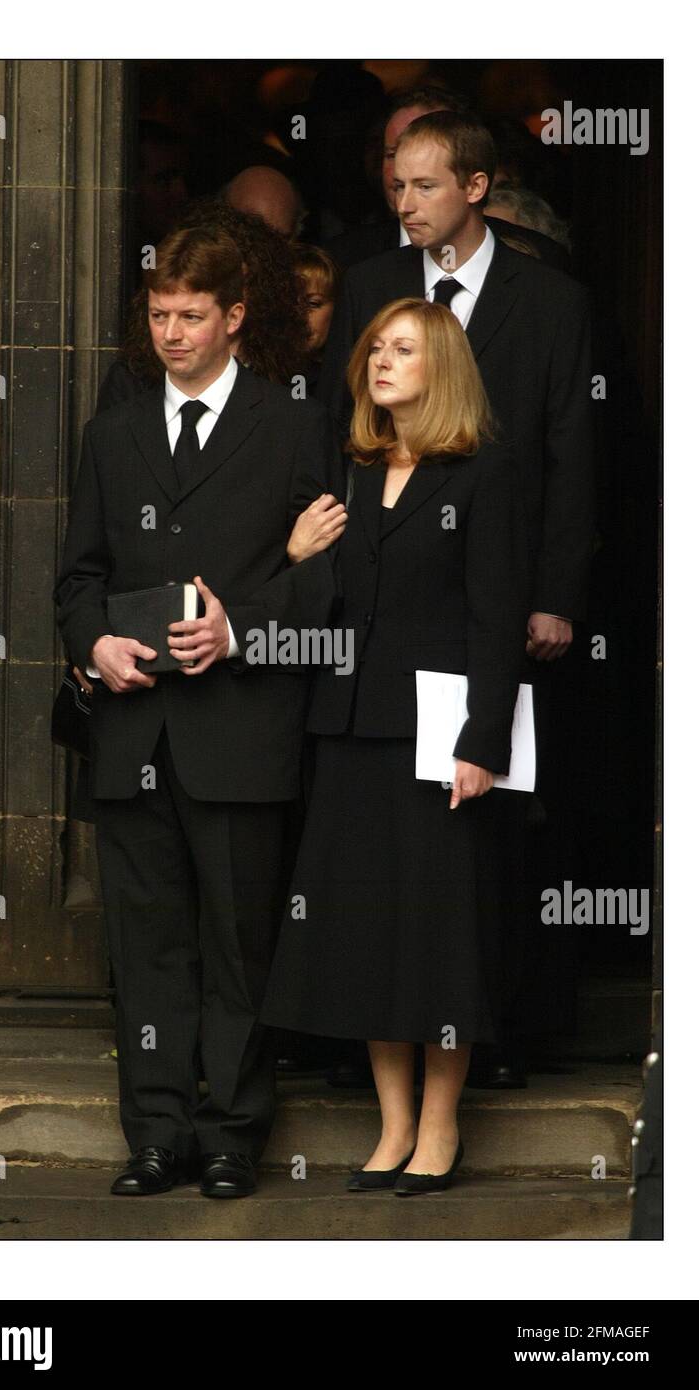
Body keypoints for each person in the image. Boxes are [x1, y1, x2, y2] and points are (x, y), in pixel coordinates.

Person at [53, 226, 342, 1199]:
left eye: (189, 316)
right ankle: (156, 1134)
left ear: (234, 317)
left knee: (237, 942)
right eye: (158, 315)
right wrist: (90, 640)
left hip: (241, 726)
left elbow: (328, 580)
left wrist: (240, 629)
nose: (171, 333)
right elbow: (78, 577)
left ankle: (232, 1136)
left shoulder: (293, 426)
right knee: (148, 945)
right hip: (133, 731)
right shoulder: (113, 432)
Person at [318, 110, 595, 1089]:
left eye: (424, 185)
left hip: (506, 603)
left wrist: (555, 594)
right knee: (390, 859)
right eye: (396, 185)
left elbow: (573, 455)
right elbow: (339, 441)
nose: (405, 203)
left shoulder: (549, 300)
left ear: (475, 187)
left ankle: (506, 1034)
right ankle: (389, 1053)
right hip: (399, 616)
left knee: (489, 833)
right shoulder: (371, 288)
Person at [260, 297, 527, 1193]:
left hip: (439, 739)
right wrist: (295, 557)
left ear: (440, 367)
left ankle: (442, 1129)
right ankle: (393, 1128)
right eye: (376, 346)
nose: (381, 360)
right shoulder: (352, 463)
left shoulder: (485, 473)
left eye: (402, 348)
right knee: (366, 933)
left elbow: (496, 619)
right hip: (350, 728)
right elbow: (324, 595)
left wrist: (483, 740)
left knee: (437, 937)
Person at [325, 82, 570, 274]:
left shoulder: (540, 260)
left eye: (428, 156)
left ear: (475, 182)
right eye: (393, 154)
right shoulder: (343, 263)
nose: (406, 169)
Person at [96, 200, 311, 414]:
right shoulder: (131, 381)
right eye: (160, 314)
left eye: (227, 277)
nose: (171, 333)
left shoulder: (288, 379)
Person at [292, 243, 341, 394]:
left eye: (313, 304)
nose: (299, 314)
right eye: (290, 302)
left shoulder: (347, 379)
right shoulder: (251, 374)